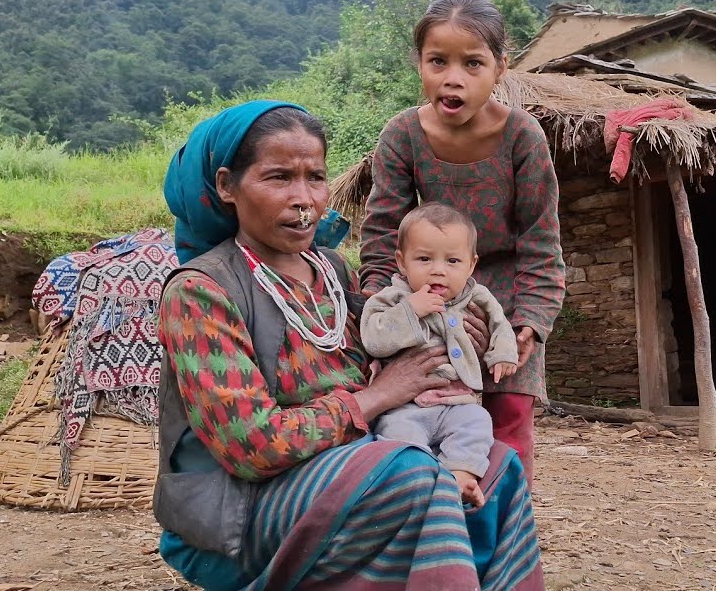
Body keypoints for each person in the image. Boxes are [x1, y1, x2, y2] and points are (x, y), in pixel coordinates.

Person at [153, 99, 544, 591]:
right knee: (411, 475)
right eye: (279, 178)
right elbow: (253, 447)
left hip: (359, 464)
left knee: (498, 468)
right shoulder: (201, 291)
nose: (304, 199)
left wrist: (456, 336)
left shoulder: (334, 271)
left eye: (315, 177)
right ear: (227, 186)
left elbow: (383, 353)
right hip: (241, 512)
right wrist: (377, 397)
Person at [360, 0, 566, 485]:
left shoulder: (523, 137)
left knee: (507, 423)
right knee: (417, 415)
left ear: (500, 67)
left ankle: (501, 521)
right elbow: (383, 232)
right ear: (419, 64)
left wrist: (531, 322)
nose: (453, 78)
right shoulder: (402, 135)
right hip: (426, 298)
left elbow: (540, 240)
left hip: (505, 302)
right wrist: (382, 307)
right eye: (438, 61)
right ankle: (429, 513)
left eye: (473, 63)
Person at [361, 202, 518, 506]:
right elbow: (373, 338)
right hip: (405, 406)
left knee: (478, 422)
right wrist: (410, 311)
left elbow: (500, 325)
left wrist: (502, 354)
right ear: (402, 262)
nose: (438, 270)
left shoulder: (477, 297)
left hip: (456, 401)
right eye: (424, 259)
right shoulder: (391, 299)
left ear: (471, 265)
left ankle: (460, 477)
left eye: (452, 261)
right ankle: (418, 484)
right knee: (397, 436)